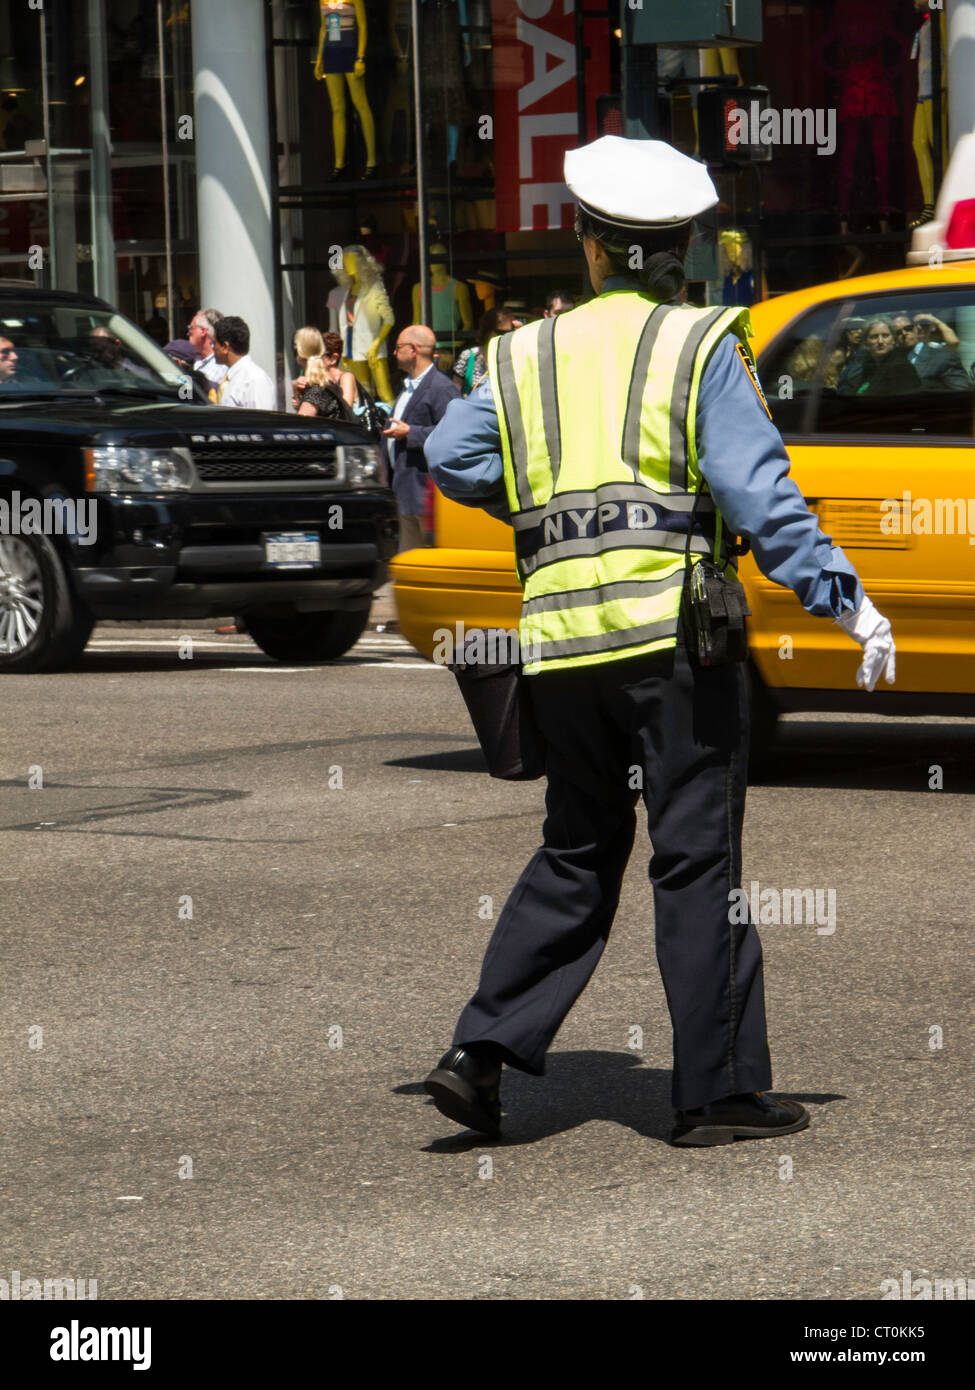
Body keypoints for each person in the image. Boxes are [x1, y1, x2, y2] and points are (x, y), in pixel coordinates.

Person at [421, 135, 896, 1148]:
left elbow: (448, 453)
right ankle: (715, 1094)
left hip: (559, 654)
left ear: (589, 247)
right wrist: (844, 600)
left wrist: (548, 506)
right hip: (677, 648)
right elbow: (757, 497)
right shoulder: (697, 347)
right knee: (695, 862)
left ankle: (481, 1053)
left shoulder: (520, 352)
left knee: (577, 850)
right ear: (679, 249)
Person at [382, 324, 459, 552]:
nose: (394, 353)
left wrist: (411, 433)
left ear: (413, 349)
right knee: (410, 563)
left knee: (427, 562)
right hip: (405, 492)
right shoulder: (407, 387)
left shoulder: (441, 388)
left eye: (398, 347)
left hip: (425, 496)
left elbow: (453, 436)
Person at [837, 317, 922, 396]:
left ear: (893, 340)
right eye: (874, 337)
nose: (880, 341)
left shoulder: (901, 368)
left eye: (885, 336)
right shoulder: (867, 367)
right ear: (866, 342)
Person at [212, 316, 277, 410]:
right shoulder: (232, 378)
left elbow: (262, 422)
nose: (213, 348)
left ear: (225, 347)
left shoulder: (254, 380)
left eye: (214, 343)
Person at [891, 314, 970, 392]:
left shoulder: (943, 357)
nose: (904, 333)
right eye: (898, 332)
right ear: (895, 338)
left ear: (916, 329)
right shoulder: (891, 362)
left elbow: (963, 393)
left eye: (908, 328)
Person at [452, 307, 516, 396]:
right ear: (487, 331)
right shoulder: (470, 356)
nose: (504, 337)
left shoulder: (515, 357)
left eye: (510, 333)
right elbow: (455, 391)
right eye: (501, 333)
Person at [187, 308, 227, 392]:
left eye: (191, 328)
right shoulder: (193, 360)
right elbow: (185, 396)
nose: (188, 333)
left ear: (203, 331)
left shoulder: (221, 368)